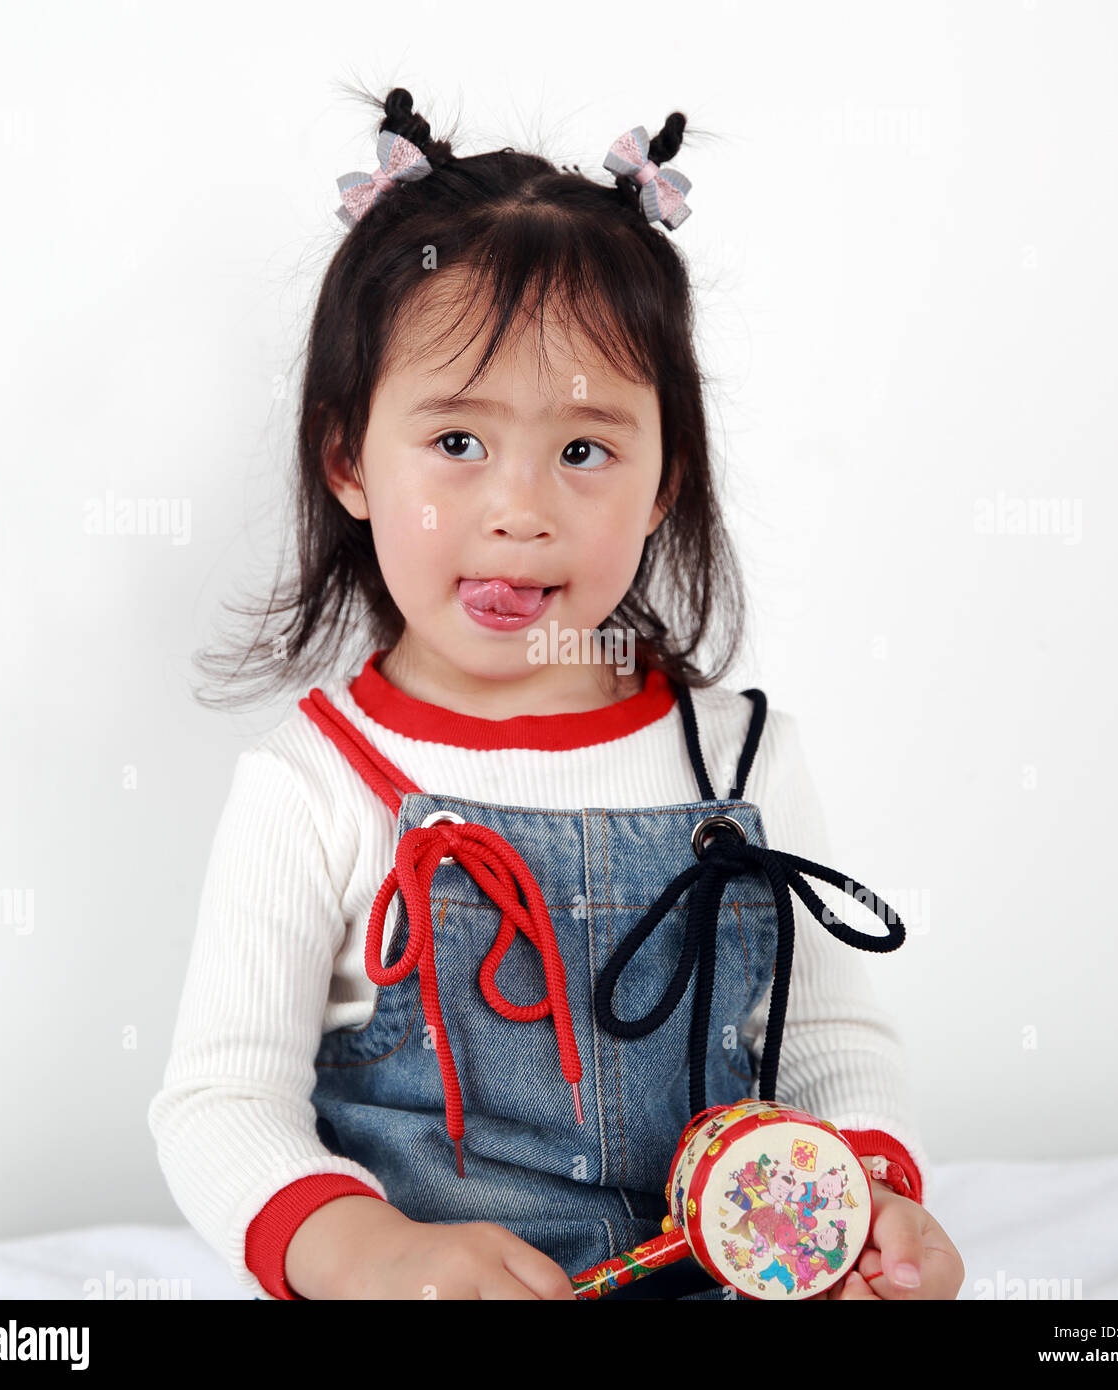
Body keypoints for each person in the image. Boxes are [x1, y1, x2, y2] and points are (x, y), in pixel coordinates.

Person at [147, 85, 963, 1302]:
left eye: (584, 451)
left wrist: (872, 1198)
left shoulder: (738, 764)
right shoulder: (313, 781)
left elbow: (827, 1048)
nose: (519, 509)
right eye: (458, 443)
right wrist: (373, 1256)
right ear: (347, 460)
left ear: (662, 479)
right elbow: (221, 1103)